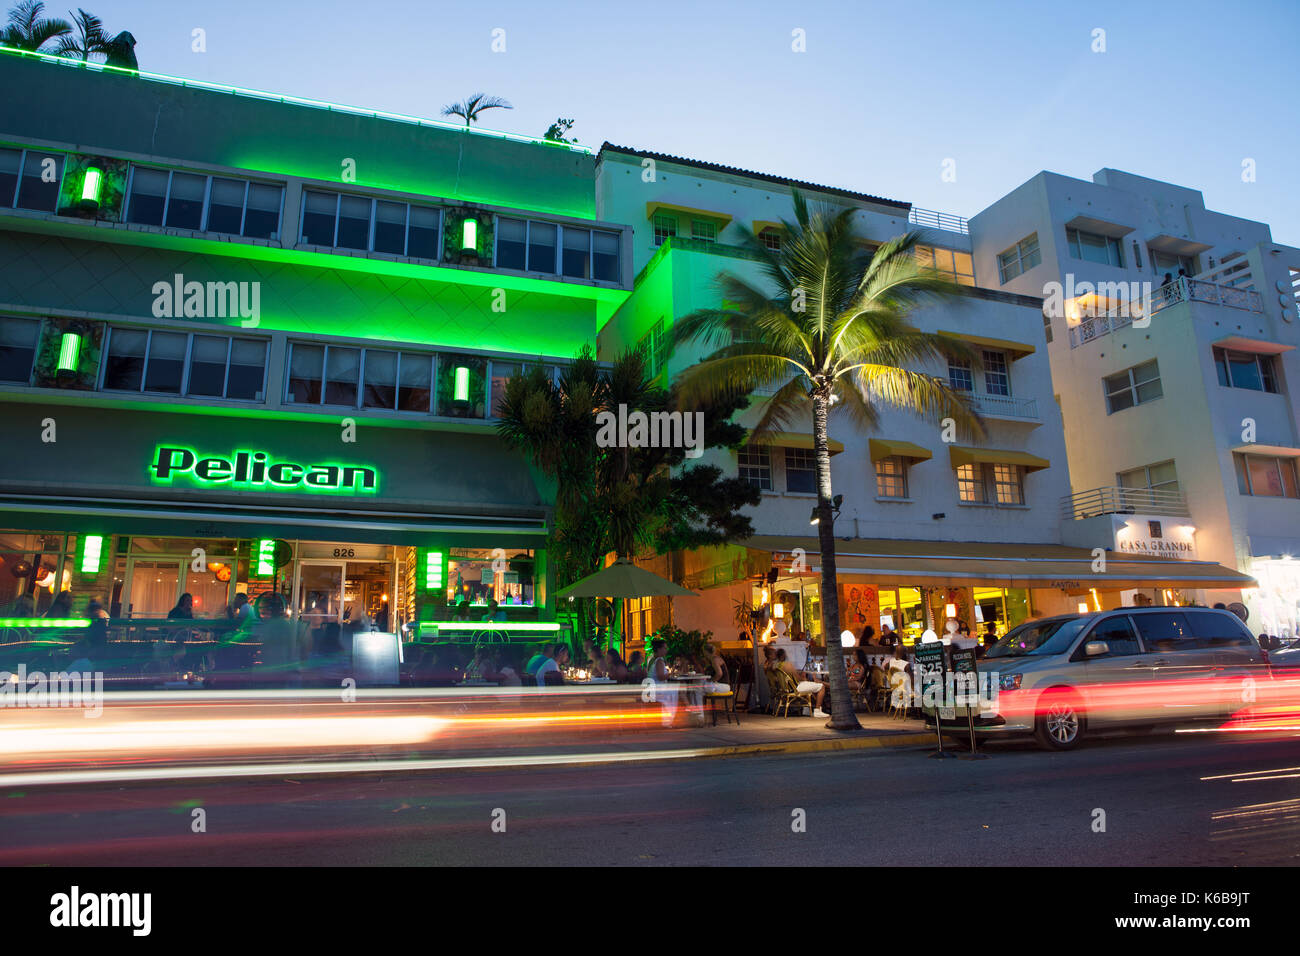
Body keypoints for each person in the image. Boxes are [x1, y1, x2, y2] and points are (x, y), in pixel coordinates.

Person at [775, 648, 827, 717]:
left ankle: (807, 710)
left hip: (788, 688)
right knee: (821, 686)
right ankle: (817, 711)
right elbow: (798, 678)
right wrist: (804, 678)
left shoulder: (777, 665)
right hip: (795, 687)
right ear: (783, 655)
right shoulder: (788, 665)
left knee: (813, 686)